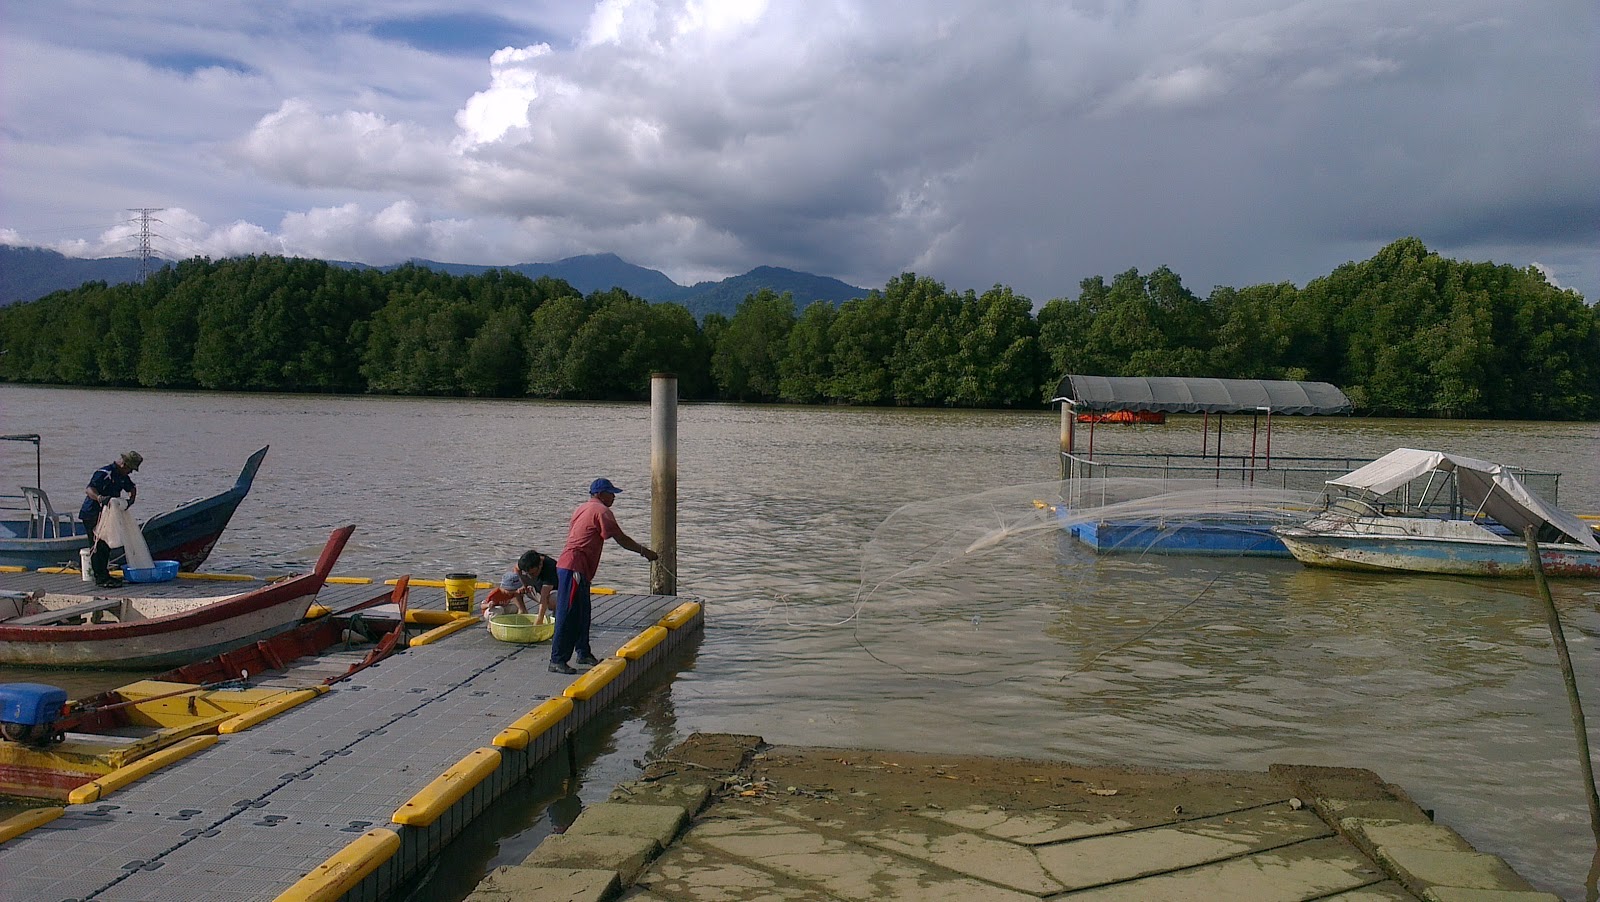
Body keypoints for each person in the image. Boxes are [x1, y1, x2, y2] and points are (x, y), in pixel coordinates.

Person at [549, 477, 658, 674]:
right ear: (600, 494)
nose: (614, 497)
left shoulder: (582, 508)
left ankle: (583, 653)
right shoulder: (602, 511)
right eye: (611, 493)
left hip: (573, 567)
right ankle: (557, 659)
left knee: (583, 613)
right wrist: (645, 552)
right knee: (568, 614)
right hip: (574, 567)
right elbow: (621, 539)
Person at [80, 451, 141, 588]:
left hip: (108, 515)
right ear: (123, 464)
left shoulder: (122, 476)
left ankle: (105, 574)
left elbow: (131, 487)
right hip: (93, 514)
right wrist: (100, 498)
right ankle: (100, 577)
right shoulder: (105, 473)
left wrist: (131, 499)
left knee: (106, 545)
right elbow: (89, 489)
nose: (130, 472)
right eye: (130, 469)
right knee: (97, 545)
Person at [481, 549, 557, 621]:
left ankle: (556, 614)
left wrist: (539, 619)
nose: (530, 576)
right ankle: (522, 609)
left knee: (552, 600)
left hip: (552, 593)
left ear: (540, 565)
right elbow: (516, 569)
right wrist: (524, 585)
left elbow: (544, 596)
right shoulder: (526, 561)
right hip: (536, 588)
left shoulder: (550, 568)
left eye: (533, 573)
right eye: (528, 573)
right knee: (513, 582)